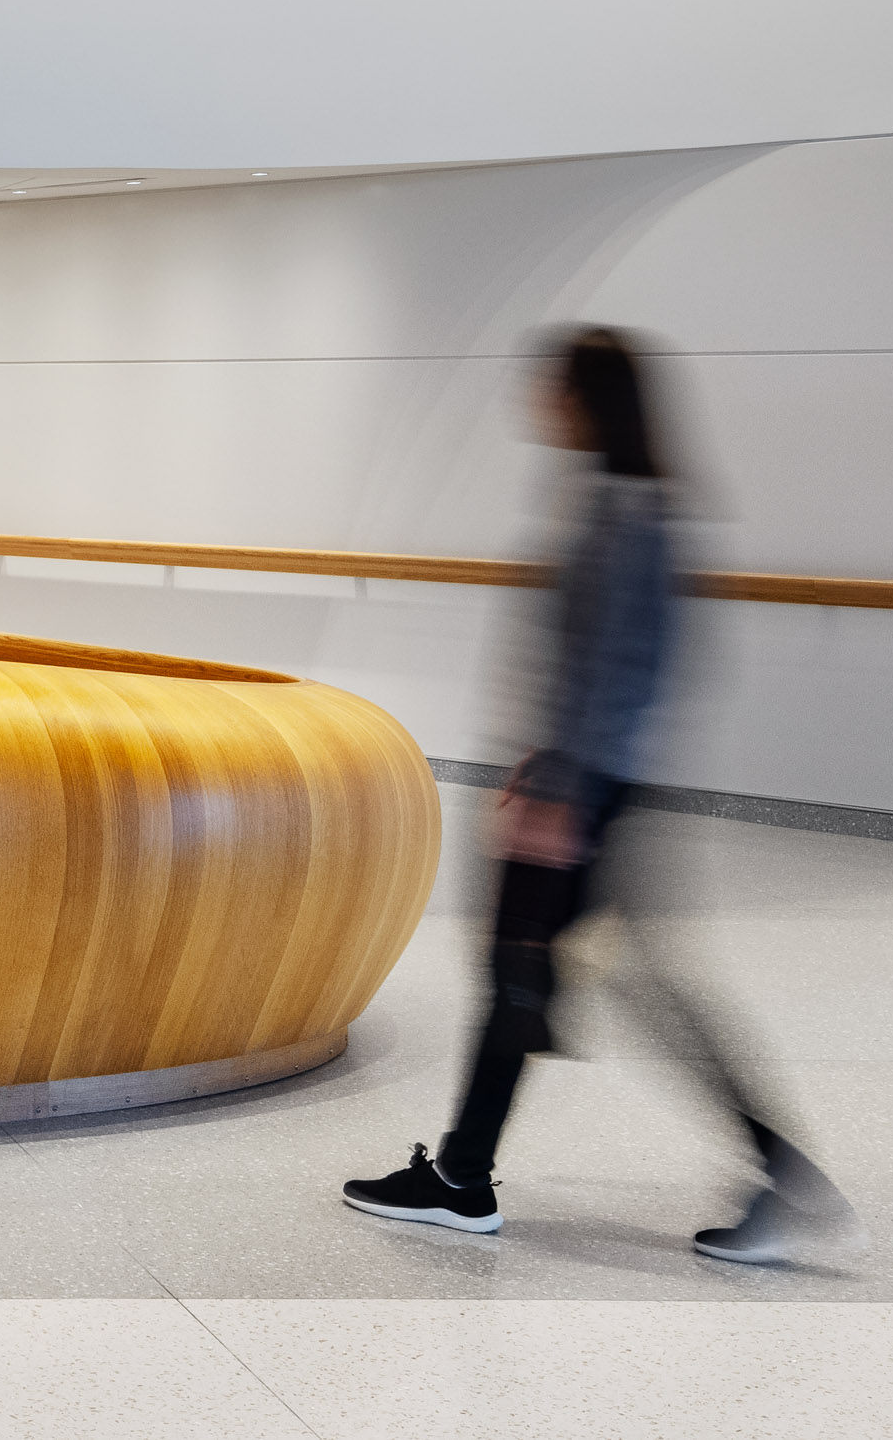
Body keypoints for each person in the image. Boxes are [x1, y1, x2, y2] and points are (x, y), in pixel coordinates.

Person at [343, 325, 850, 1269]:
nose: (538, 400)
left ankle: (771, 1175)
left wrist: (561, 795)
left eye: (552, 386)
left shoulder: (623, 515)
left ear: (587, 399)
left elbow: (618, 672)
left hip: (587, 792)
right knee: (536, 978)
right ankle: (464, 1173)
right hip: (592, 781)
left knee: (545, 976)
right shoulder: (630, 502)